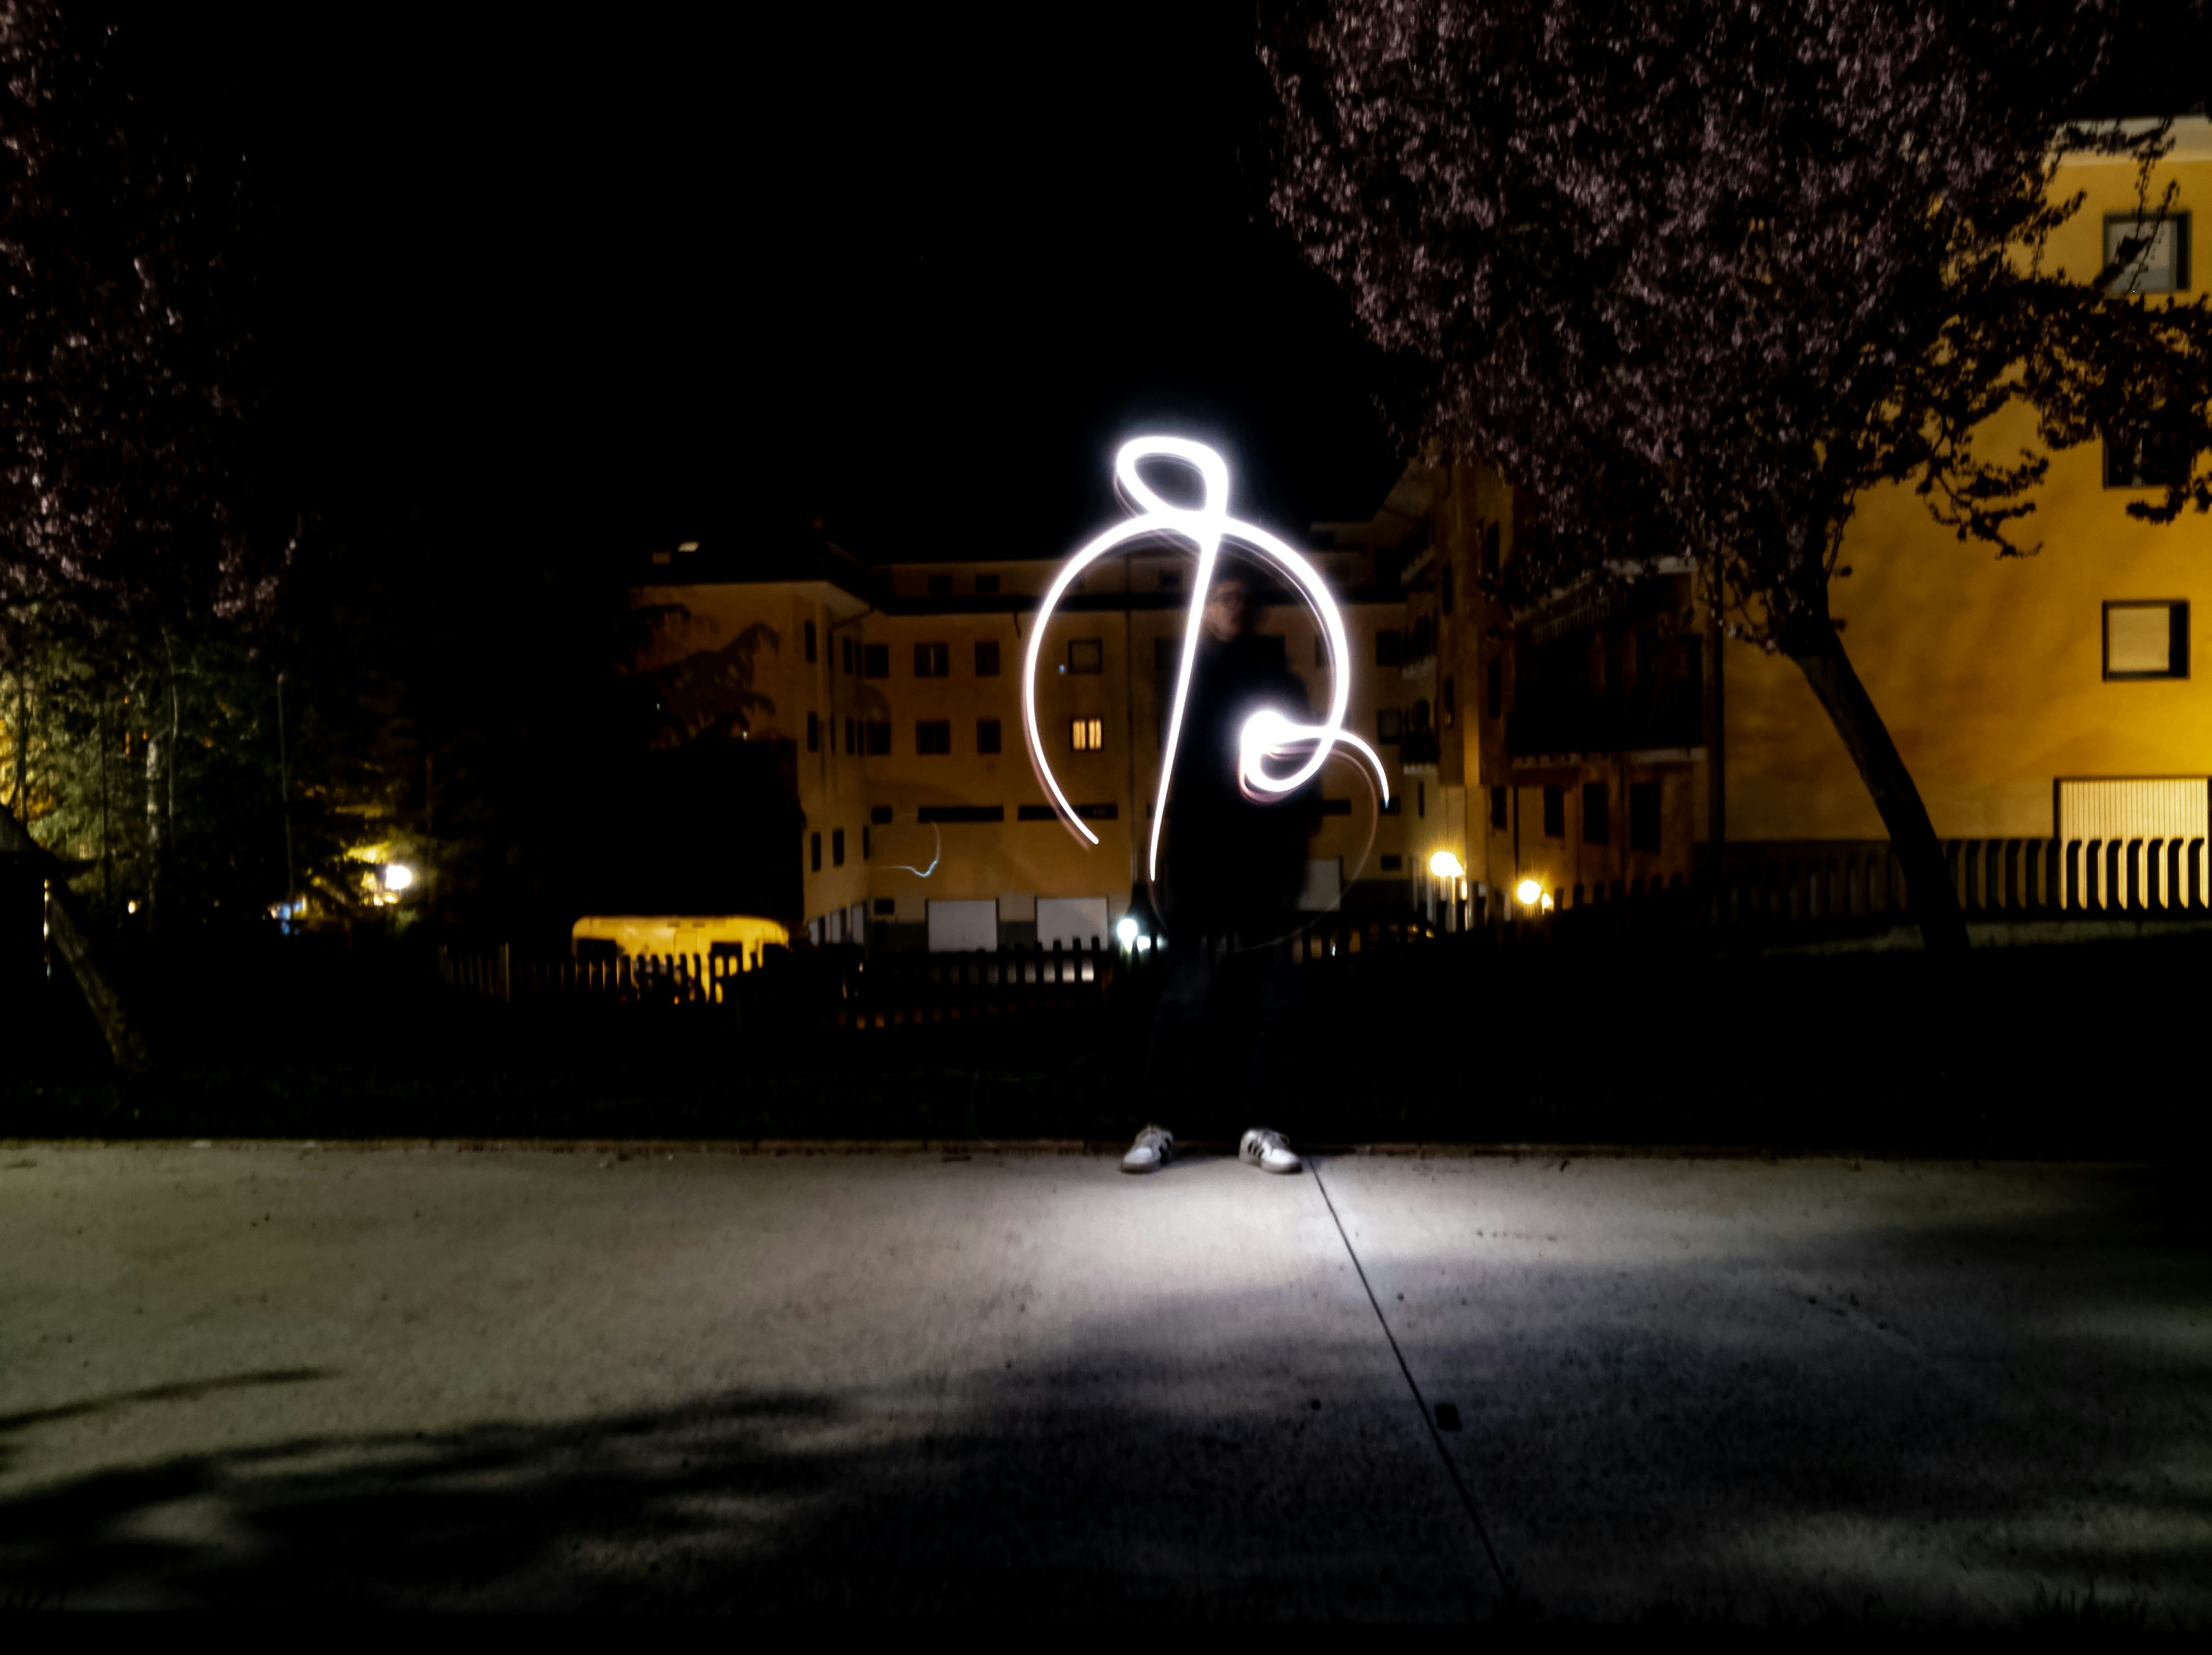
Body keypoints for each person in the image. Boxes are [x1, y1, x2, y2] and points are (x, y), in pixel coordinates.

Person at [1123, 568, 1320, 1176]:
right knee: (1184, 997)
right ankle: (1159, 1126)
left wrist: (1293, 849)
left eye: (1242, 597)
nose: (1233, 606)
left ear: (1256, 609)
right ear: (1205, 607)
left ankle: (1259, 1126)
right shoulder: (1186, 684)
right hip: (1203, 866)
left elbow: (1304, 772)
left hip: (1262, 866)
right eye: (1222, 596)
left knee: (1272, 1000)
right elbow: (1182, 767)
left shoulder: (1281, 683)